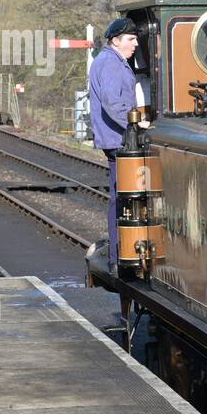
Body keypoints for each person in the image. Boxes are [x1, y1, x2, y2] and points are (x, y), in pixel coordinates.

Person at [90, 17, 147, 272]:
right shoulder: (111, 63)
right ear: (116, 40)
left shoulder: (110, 60)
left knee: (120, 196)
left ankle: (119, 254)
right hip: (118, 138)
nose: (135, 43)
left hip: (114, 136)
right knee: (121, 198)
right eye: (131, 39)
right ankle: (118, 257)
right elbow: (113, 102)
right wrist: (135, 125)